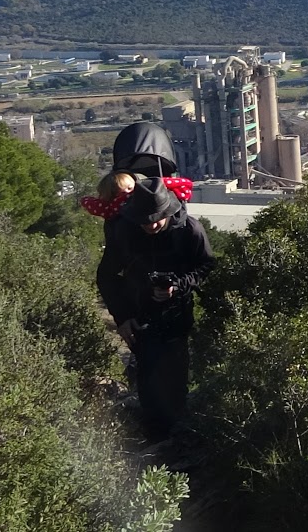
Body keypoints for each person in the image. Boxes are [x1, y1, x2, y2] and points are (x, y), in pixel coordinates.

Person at [96, 176, 215, 441]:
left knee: (175, 372)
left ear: (167, 211)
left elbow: (206, 265)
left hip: (177, 311)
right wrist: (123, 317)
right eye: (144, 220)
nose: (150, 225)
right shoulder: (125, 231)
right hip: (138, 311)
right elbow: (106, 276)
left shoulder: (189, 230)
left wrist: (179, 285)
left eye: (155, 219)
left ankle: (177, 436)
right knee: (148, 376)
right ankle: (155, 437)